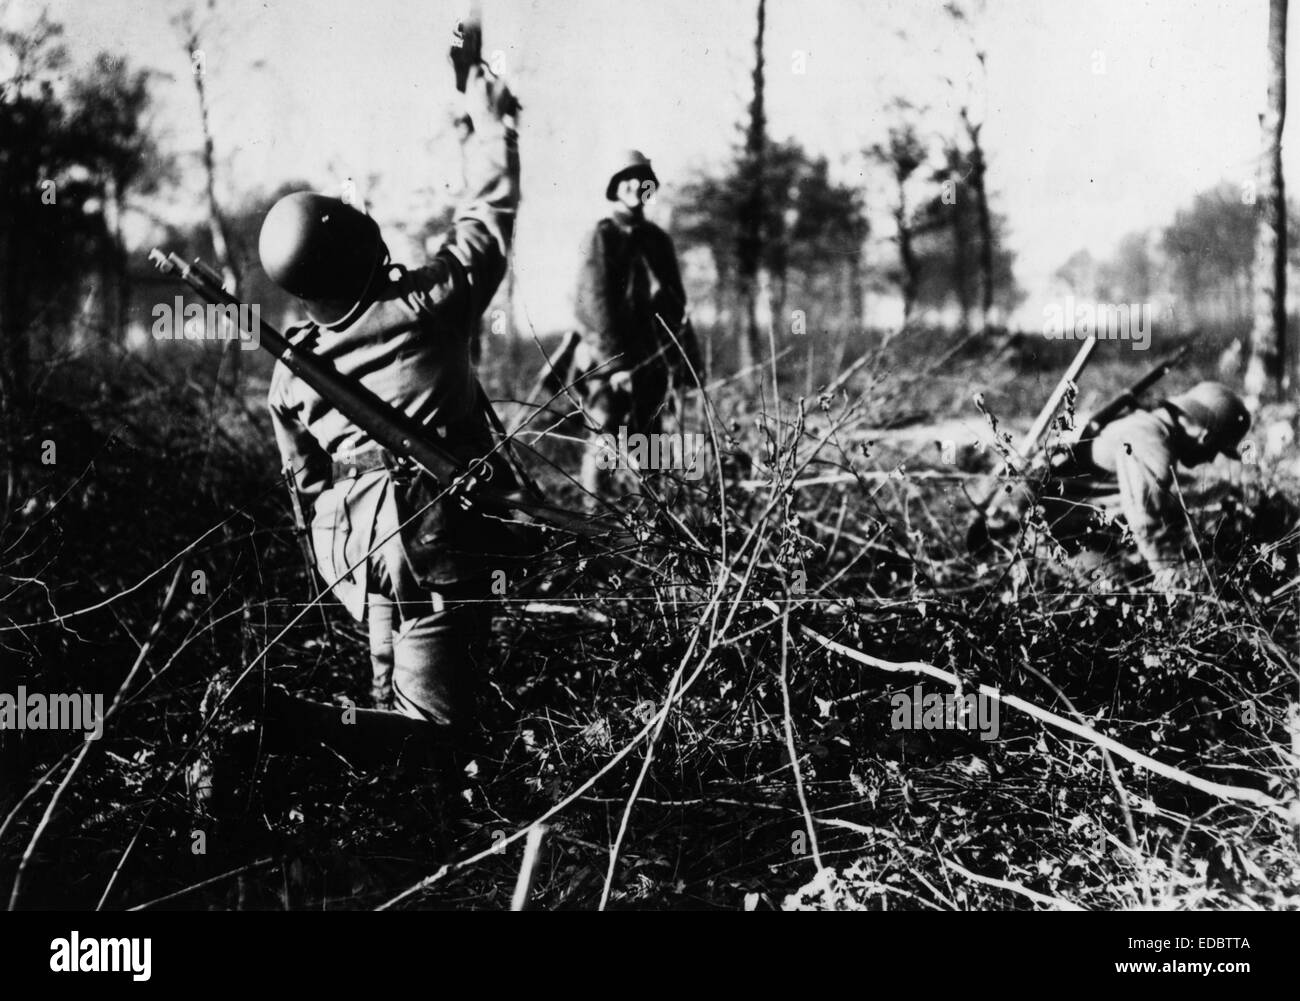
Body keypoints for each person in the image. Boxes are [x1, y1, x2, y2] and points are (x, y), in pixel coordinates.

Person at [258, 43, 520, 762]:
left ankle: (366, 759)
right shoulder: (428, 305)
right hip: (426, 534)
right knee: (440, 736)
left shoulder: (291, 371)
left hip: (348, 541)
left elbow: (303, 484)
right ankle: (280, 727)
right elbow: (488, 215)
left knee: (388, 687)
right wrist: (487, 122)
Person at [1035, 381, 1251, 593]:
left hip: (1067, 528)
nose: (1212, 459)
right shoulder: (1151, 442)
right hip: (1053, 537)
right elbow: (1146, 521)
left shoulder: (1144, 423)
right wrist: (1178, 577)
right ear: (1206, 437)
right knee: (1114, 592)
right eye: (1216, 449)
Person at [572, 150, 703, 497]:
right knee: (605, 436)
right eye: (627, 179)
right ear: (616, 188)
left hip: (652, 360)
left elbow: (676, 303)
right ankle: (592, 521)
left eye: (643, 180)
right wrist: (616, 366)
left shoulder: (659, 241)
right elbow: (594, 305)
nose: (636, 186)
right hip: (608, 362)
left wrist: (684, 360)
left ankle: (654, 521)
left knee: (652, 440)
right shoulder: (602, 237)